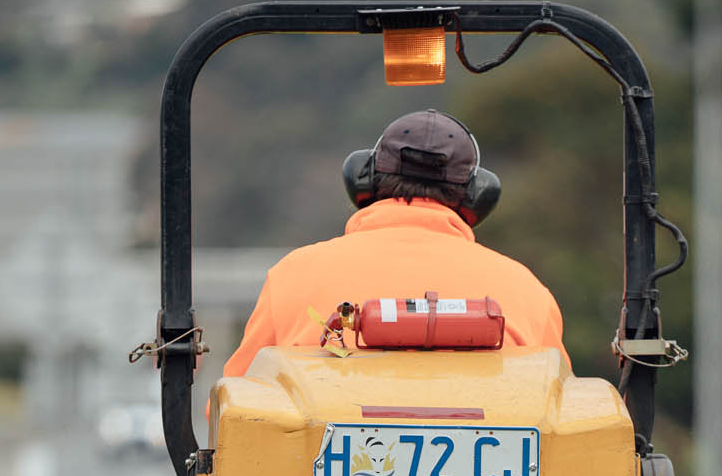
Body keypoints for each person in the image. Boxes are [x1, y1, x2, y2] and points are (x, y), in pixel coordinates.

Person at [222, 109, 571, 377]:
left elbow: (230, 408)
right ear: (478, 197)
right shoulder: (526, 289)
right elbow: (566, 418)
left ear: (363, 180)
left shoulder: (292, 275)